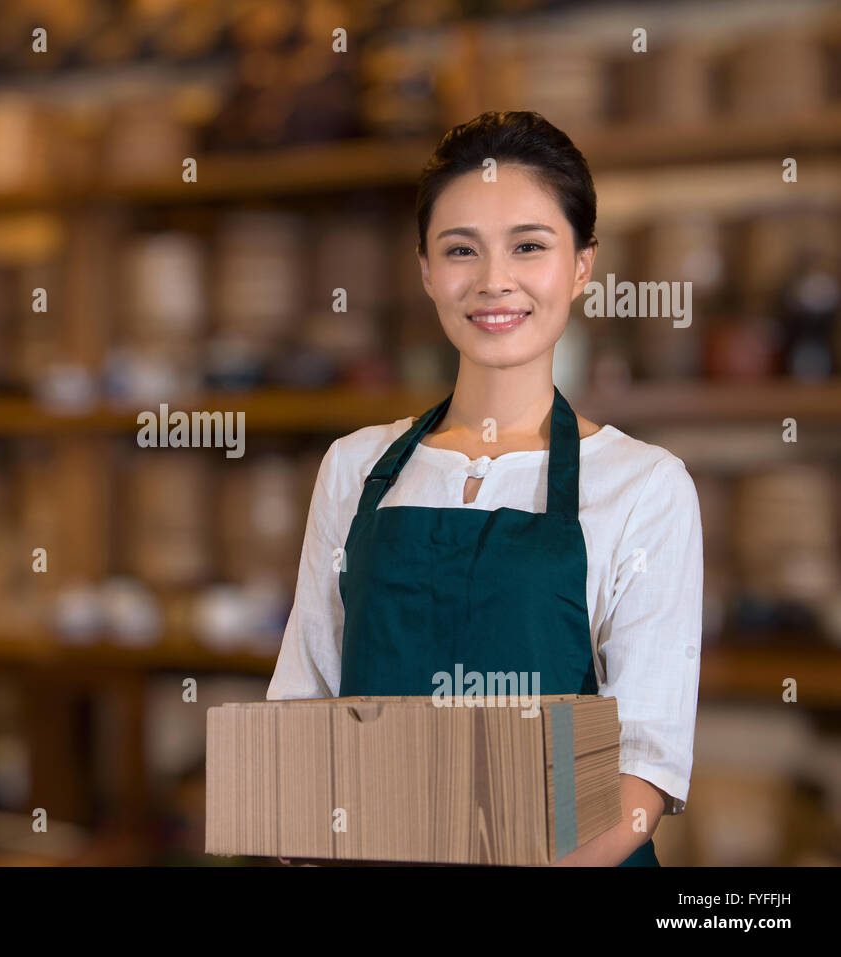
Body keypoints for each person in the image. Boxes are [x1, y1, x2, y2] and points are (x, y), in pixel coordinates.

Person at [267, 111, 703, 867]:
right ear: (427, 270)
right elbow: (303, 716)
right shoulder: (355, 467)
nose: (493, 280)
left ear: (581, 265)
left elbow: (642, 774)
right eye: (461, 249)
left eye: (529, 246)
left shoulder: (644, 486)